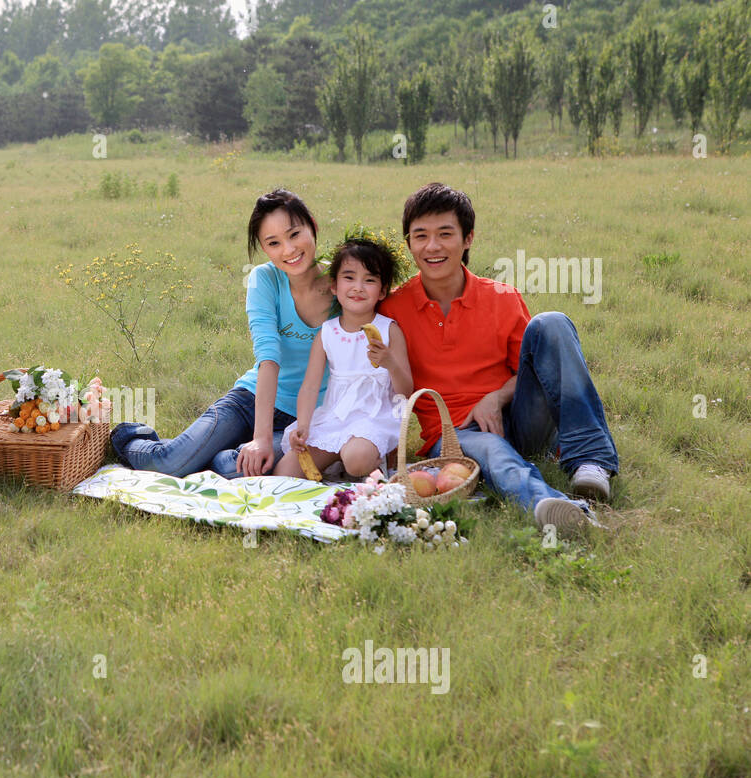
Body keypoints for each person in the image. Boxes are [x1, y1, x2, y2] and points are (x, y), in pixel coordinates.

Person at [380, 183, 619, 535]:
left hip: (519, 421)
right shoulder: (392, 309)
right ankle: (560, 509)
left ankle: (590, 461)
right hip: (453, 435)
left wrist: (496, 397)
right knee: (494, 452)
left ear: (468, 239)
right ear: (409, 244)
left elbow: (530, 372)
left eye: (445, 234)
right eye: (421, 236)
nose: (432, 246)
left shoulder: (502, 298)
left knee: (551, 322)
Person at [110, 188, 339, 477]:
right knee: (168, 464)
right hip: (251, 400)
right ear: (264, 248)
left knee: (231, 467)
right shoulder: (264, 279)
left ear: (313, 226)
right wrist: (262, 439)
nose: (289, 250)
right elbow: (269, 357)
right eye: (273, 243)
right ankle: (128, 435)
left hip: (304, 419)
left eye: (295, 234)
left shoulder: (344, 284)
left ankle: (203, 454)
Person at [275, 236, 413, 480]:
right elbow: (309, 387)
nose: (358, 287)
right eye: (349, 278)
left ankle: (367, 459)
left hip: (374, 418)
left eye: (369, 280)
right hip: (335, 418)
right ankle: (335, 460)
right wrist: (303, 425)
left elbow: (405, 392)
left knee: (356, 460)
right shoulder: (328, 333)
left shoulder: (389, 330)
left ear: (382, 291)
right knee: (285, 471)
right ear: (334, 286)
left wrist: (389, 362)